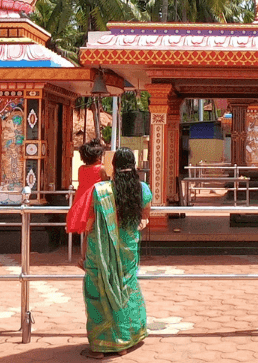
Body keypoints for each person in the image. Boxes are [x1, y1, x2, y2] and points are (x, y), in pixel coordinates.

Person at [82, 148, 152, 359]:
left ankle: (103, 345)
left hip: (100, 250)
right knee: (125, 290)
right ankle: (126, 340)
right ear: (135, 166)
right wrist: (128, 230)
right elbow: (144, 219)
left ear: (114, 166)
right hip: (128, 249)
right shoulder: (143, 190)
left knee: (99, 291)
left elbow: (89, 224)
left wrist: (85, 251)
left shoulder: (100, 191)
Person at [68, 138, 107, 256]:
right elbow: (105, 184)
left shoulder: (81, 169)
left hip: (82, 201)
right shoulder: (101, 168)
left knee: (87, 233)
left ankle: (84, 257)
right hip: (95, 201)